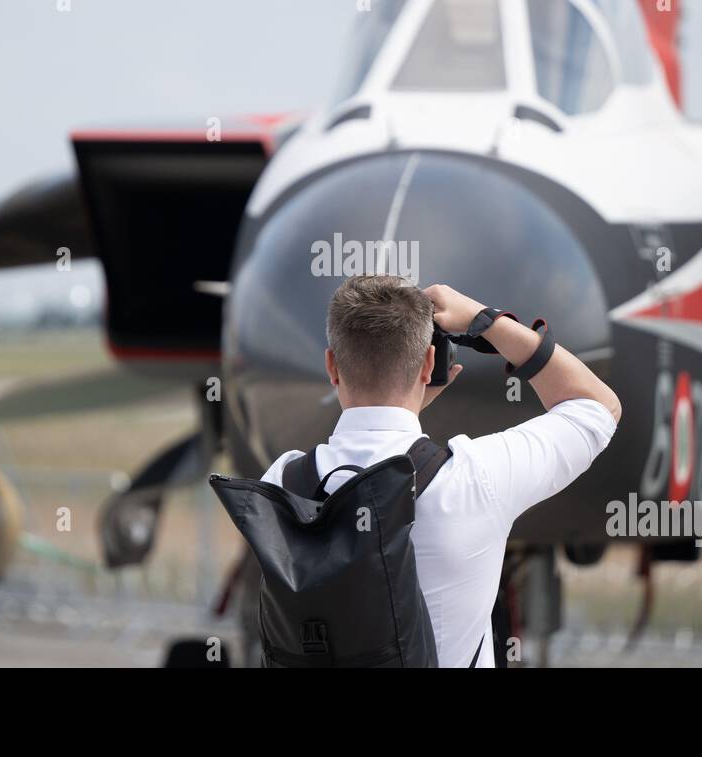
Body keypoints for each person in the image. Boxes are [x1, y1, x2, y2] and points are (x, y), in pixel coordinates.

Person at [259, 274, 621, 667]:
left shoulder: (280, 483)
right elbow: (596, 407)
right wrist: (488, 322)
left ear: (332, 365)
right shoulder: (476, 477)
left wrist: (405, 399)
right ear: (430, 363)